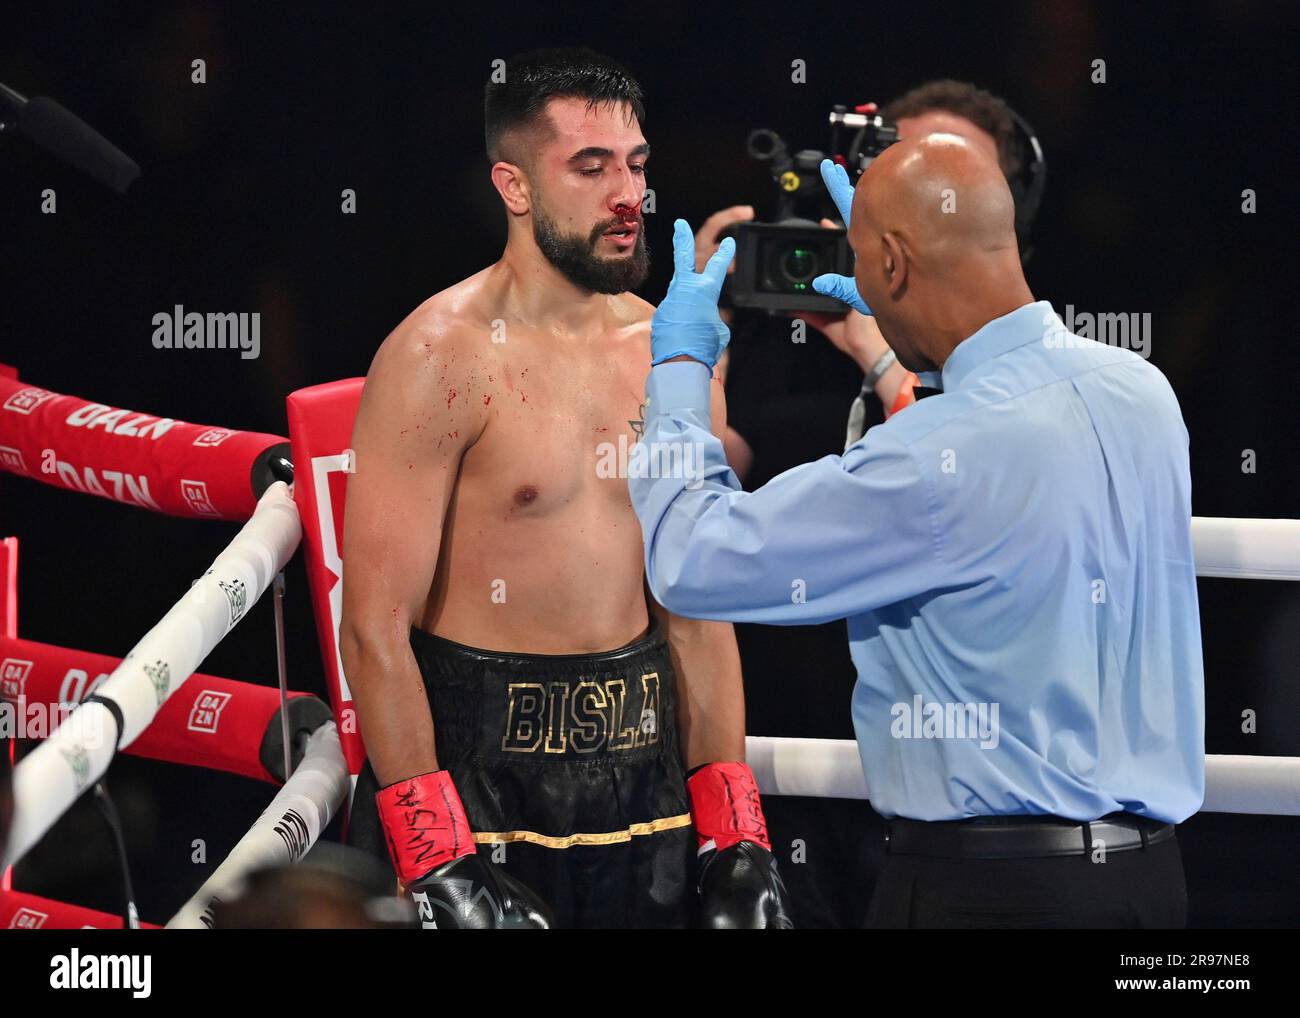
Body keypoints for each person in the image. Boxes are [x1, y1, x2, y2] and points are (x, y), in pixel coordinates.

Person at [631, 133, 1202, 928]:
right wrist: (893, 333)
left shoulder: (936, 455)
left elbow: (691, 559)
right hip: (1151, 888)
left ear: (893, 265)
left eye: (866, 261)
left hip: (989, 897)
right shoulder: (1143, 393)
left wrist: (681, 374)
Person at [338, 47, 790, 929]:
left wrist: (738, 835)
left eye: (636, 163)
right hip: (479, 784)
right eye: (590, 166)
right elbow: (373, 626)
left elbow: (695, 606)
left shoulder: (670, 350)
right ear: (514, 185)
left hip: (645, 783)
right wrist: (437, 858)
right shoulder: (440, 356)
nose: (628, 194)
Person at [697, 80, 1047, 927]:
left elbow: (954, 465)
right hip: (805, 758)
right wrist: (696, 338)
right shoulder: (798, 329)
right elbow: (715, 478)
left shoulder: (1033, 381)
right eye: (887, 168)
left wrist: (877, 352)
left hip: (965, 805)